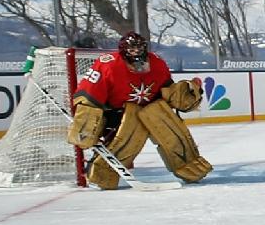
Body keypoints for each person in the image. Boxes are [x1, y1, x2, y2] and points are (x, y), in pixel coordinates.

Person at [69, 33, 211, 188]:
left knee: (159, 114)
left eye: (139, 48)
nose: (136, 52)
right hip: (114, 114)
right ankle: (103, 170)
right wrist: (86, 121)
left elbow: (166, 91)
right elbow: (88, 94)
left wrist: (184, 94)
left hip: (148, 109)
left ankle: (187, 164)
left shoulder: (157, 63)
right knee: (135, 118)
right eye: (131, 49)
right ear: (124, 50)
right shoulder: (108, 64)